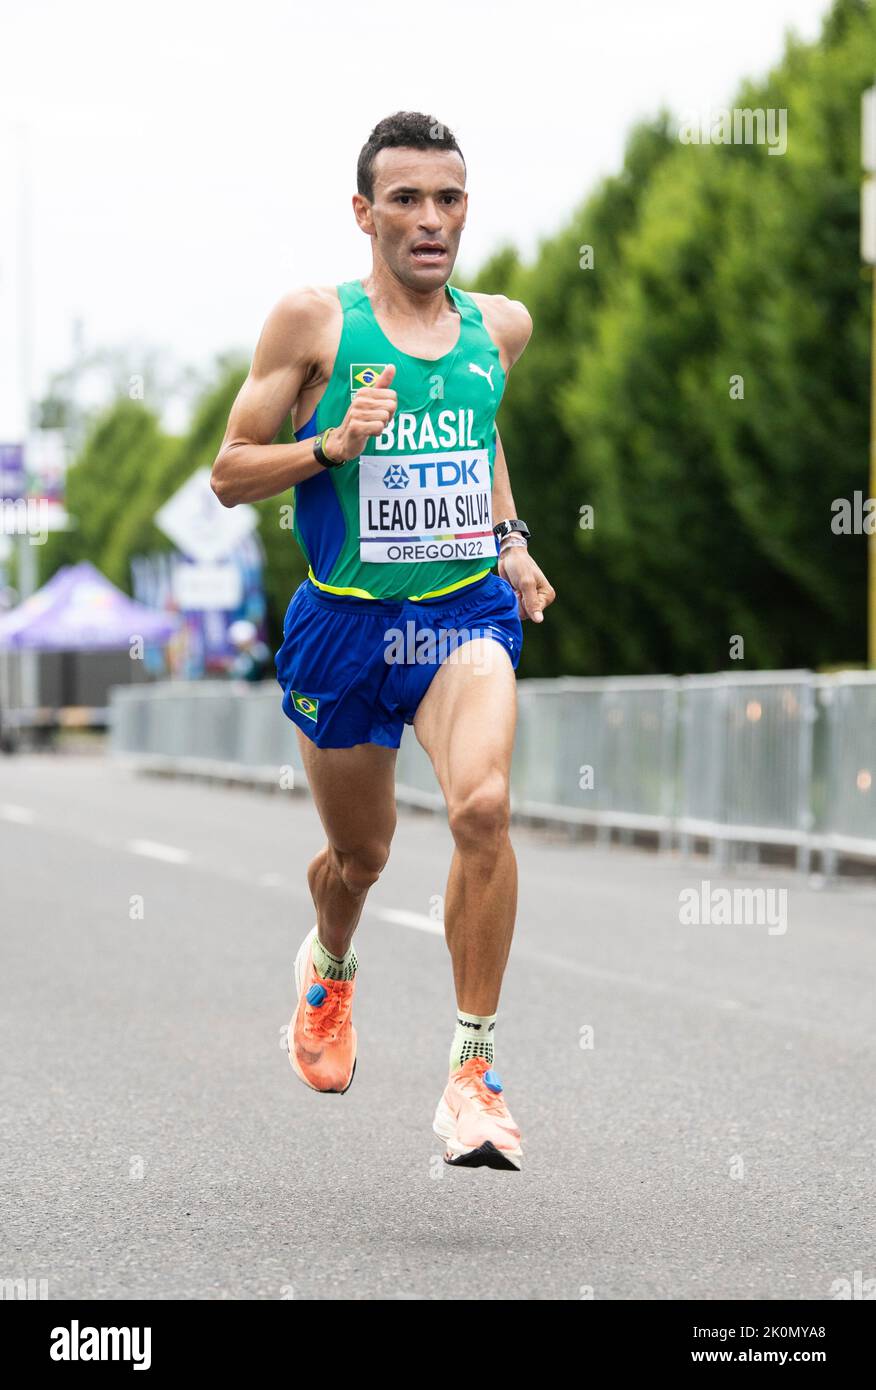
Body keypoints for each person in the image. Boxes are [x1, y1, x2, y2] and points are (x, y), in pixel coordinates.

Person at [211, 111, 555, 1170]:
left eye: (447, 198)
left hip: (461, 615)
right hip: (345, 628)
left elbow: (479, 424)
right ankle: (329, 967)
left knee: (483, 807)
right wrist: (331, 444)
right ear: (364, 213)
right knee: (361, 856)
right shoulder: (313, 324)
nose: (429, 218)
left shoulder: (500, 327)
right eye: (404, 198)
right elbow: (229, 470)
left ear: (466, 211)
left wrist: (510, 539)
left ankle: (472, 1076)